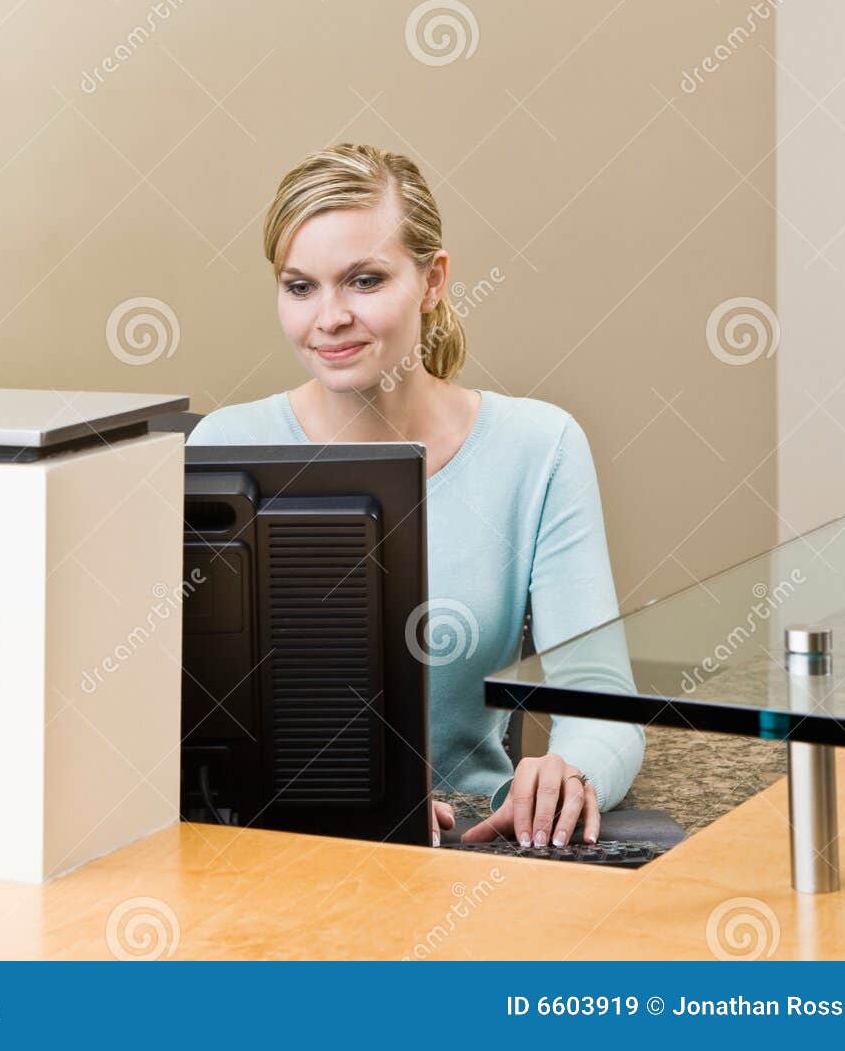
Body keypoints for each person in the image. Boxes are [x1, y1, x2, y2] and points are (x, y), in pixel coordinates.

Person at [187, 142, 644, 848]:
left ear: (433, 281)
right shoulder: (223, 448)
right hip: (277, 851)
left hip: (464, 849)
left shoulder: (538, 447)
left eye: (364, 280)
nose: (328, 318)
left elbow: (602, 700)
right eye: (300, 286)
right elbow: (182, 712)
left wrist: (572, 772)